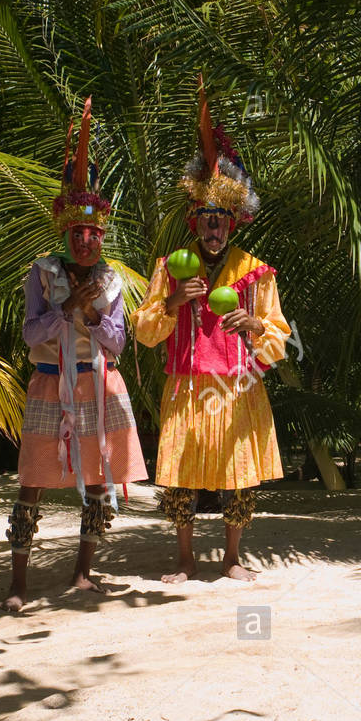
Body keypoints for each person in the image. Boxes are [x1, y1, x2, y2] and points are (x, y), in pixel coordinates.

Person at [133, 89, 290, 583]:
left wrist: (255, 325)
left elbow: (280, 336)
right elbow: (145, 330)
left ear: (232, 223)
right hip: (185, 384)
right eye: (207, 221)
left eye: (221, 222)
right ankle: (184, 559)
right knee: (179, 476)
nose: (214, 230)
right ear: (195, 223)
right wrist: (175, 302)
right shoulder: (170, 269)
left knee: (238, 476)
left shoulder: (256, 271)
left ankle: (232, 557)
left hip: (238, 386)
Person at [0, 98, 148, 612]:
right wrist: (66, 307)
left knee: (98, 483)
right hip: (50, 381)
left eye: (94, 234)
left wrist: (87, 315)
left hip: (100, 381)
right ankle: (18, 583)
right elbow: (29, 332)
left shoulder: (112, 279)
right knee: (34, 482)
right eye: (78, 233)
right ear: (65, 233)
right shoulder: (41, 273)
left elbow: (119, 342)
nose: (86, 241)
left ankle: (83, 571)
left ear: (101, 236)